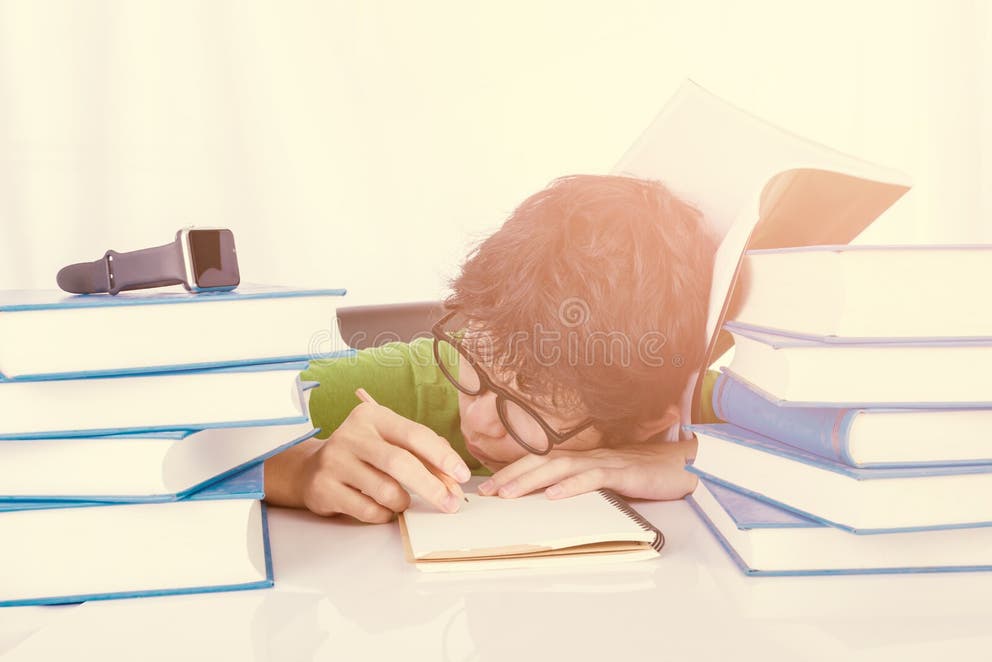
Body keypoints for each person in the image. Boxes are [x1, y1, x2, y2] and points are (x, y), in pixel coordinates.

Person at [264, 174, 719, 523]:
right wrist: (300, 469)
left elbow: (789, 451)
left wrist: (702, 462)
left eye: (528, 404)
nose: (477, 424)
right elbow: (199, 427)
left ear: (648, 423)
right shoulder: (421, 384)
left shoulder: (686, 398)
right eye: (477, 358)